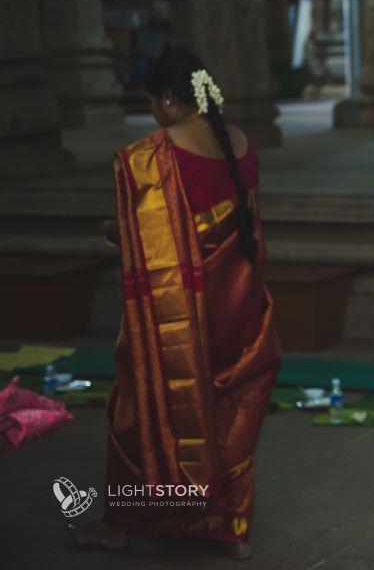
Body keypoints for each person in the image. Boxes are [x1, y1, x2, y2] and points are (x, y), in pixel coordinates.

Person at [71, 50, 281, 560]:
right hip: (240, 308)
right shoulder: (240, 143)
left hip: (185, 316)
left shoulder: (150, 157)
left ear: (168, 99)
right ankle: (228, 527)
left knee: (140, 407)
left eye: (151, 102)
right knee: (230, 411)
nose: (152, 112)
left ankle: (123, 525)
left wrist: (115, 232)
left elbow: (152, 243)